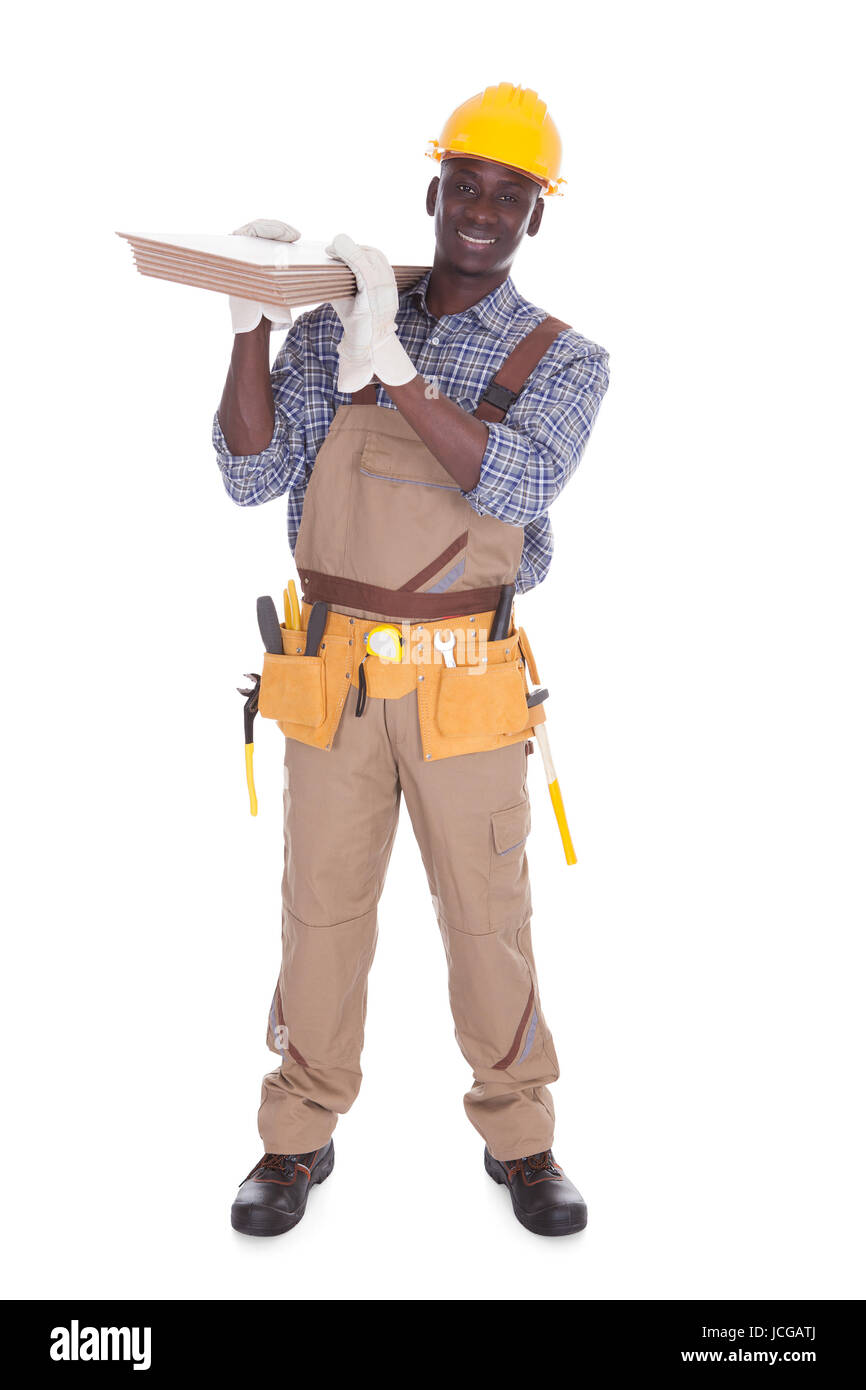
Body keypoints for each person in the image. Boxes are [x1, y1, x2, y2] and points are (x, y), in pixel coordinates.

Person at [214, 83, 609, 1238]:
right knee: (318, 914)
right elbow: (249, 471)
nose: (481, 209)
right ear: (434, 190)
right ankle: (296, 1134)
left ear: (534, 215)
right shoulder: (332, 318)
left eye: (510, 194)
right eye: (466, 186)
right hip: (330, 669)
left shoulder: (565, 359)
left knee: (485, 917)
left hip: (463, 679)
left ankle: (519, 1136)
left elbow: (517, 485)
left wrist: (396, 367)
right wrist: (251, 317)